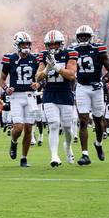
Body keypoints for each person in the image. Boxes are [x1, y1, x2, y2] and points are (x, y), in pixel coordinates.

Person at [73, 25, 109, 164]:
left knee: (98, 120)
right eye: (81, 36)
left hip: (97, 88)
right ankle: (84, 154)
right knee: (83, 120)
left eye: (86, 36)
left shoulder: (98, 50)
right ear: (77, 38)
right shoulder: (73, 51)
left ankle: (98, 143)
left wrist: (103, 81)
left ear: (91, 37)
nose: (83, 38)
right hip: (81, 88)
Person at [37, 30, 78, 167]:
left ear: (61, 43)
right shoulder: (44, 55)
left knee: (67, 127)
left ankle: (68, 146)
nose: (53, 47)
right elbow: (37, 77)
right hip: (49, 93)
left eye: (55, 44)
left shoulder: (69, 54)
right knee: (54, 124)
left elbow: (71, 75)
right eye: (51, 44)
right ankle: (54, 156)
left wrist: (56, 67)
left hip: (65, 93)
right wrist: (47, 69)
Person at [0, 31, 41, 168]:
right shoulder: (10, 59)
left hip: (30, 95)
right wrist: (6, 89)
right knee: (18, 127)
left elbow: (41, 77)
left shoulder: (35, 59)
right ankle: (13, 141)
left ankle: (24, 158)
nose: (26, 46)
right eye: (23, 44)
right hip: (16, 96)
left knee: (29, 128)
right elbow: (2, 80)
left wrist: (38, 84)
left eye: (27, 44)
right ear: (17, 45)